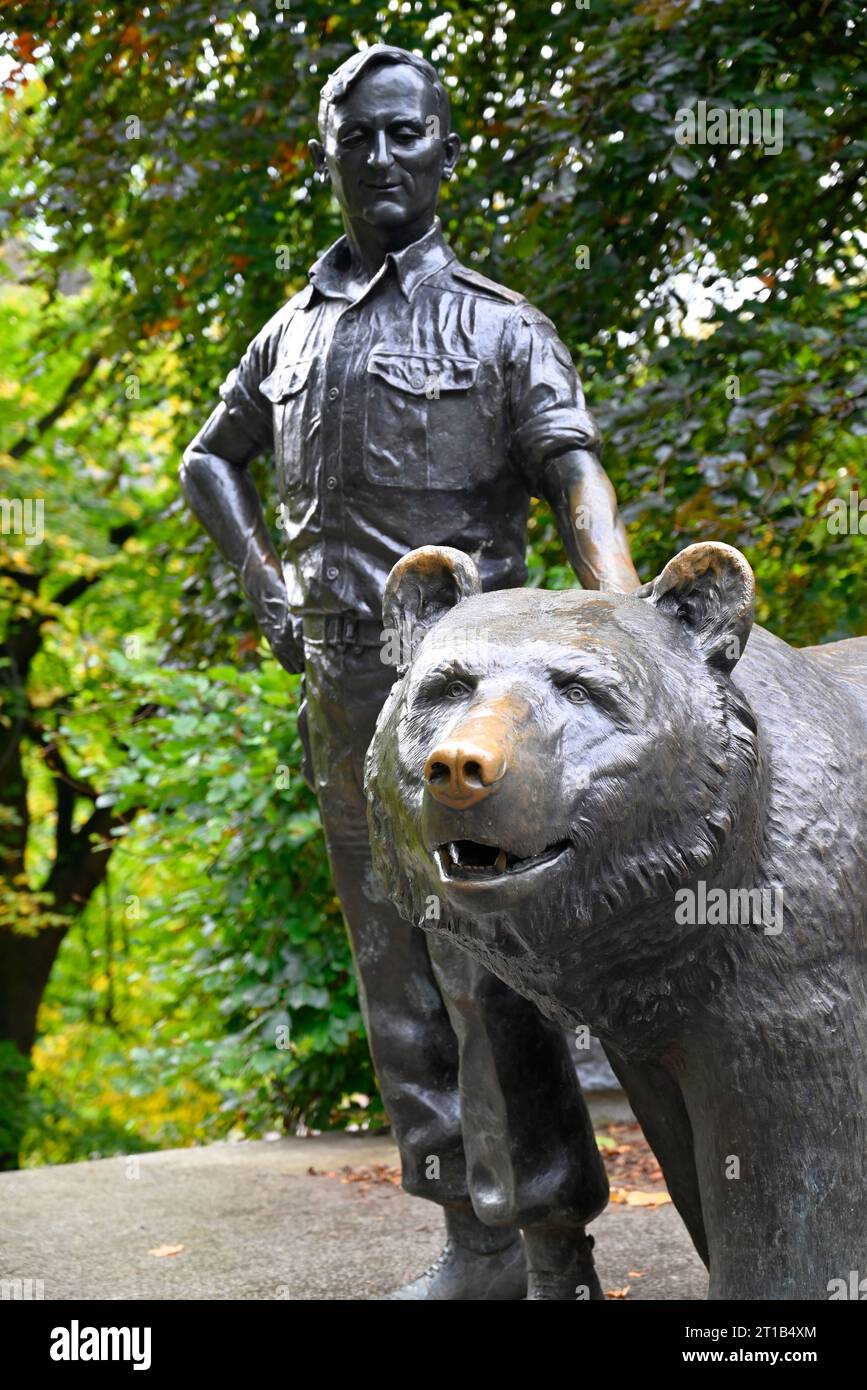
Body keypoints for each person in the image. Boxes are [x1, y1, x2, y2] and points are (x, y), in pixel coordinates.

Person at [180, 44, 640, 1300]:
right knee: (397, 981)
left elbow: (573, 469)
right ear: (330, 157)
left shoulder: (501, 325)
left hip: (466, 699)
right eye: (356, 140)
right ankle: (473, 1243)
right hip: (340, 700)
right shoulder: (290, 333)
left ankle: (555, 1250)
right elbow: (206, 461)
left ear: (442, 149)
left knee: (492, 974)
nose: (379, 159)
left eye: (403, 135)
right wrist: (268, 594)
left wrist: (623, 615)